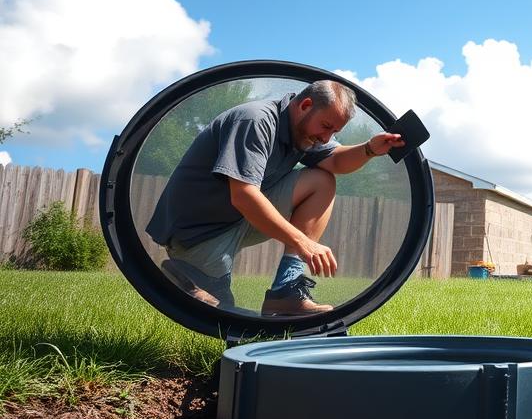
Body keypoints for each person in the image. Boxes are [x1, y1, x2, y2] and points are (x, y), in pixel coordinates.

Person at [145, 80, 404, 315]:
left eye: (334, 132)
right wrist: (305, 243)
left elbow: (335, 161)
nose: (326, 138)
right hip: (200, 233)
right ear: (305, 105)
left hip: (238, 219)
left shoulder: (304, 133)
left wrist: (370, 149)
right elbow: (244, 196)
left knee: (322, 181)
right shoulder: (255, 121)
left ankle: (285, 289)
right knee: (223, 318)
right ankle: (186, 275)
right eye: (326, 126)